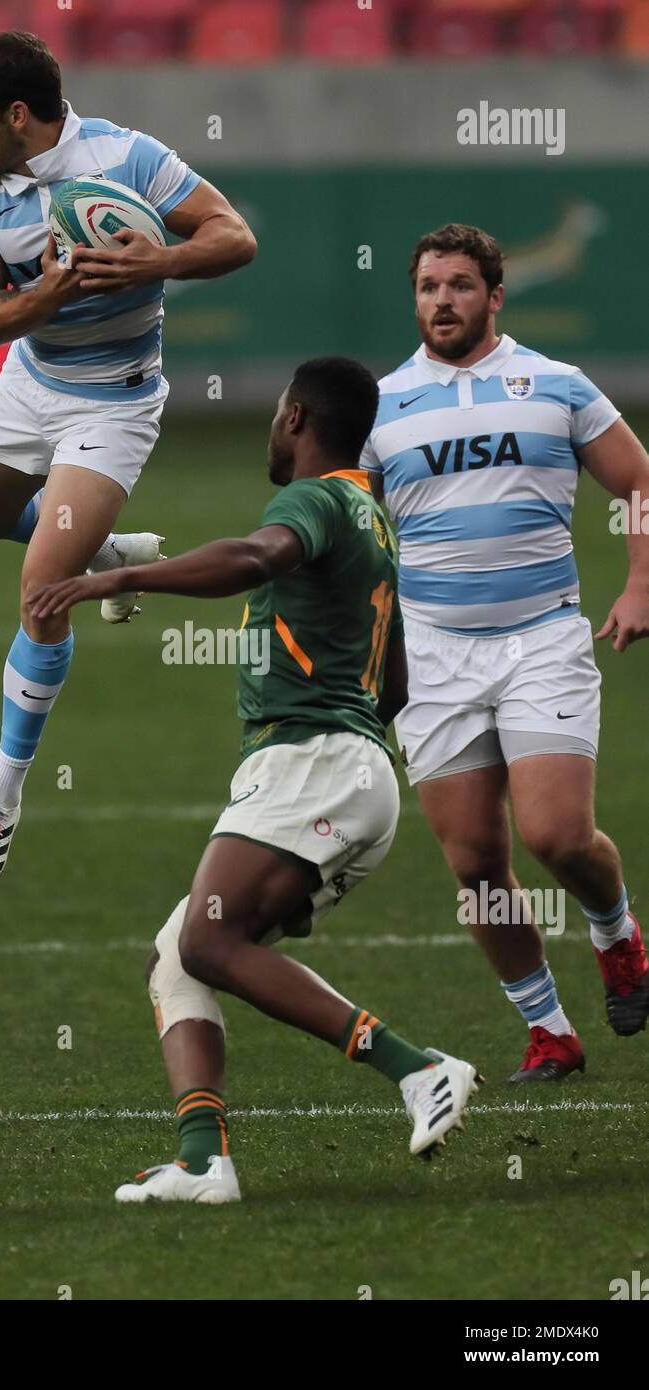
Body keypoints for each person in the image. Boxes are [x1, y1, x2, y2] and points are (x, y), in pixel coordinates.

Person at [29, 357, 481, 1202]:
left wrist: (119, 575)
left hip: (313, 764)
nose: (271, 427)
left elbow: (252, 554)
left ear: (298, 416)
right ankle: (205, 1162)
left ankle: (419, 1070)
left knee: (206, 941)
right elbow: (397, 685)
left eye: (278, 413)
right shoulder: (372, 518)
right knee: (179, 960)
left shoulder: (313, 500)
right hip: (342, 769)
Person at [0, 30, 256, 892]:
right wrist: (50, 290)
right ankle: (107, 551)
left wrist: (161, 259)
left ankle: (2, 790)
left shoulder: (129, 158)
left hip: (112, 401)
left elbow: (235, 238)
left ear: (16, 113)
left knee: (44, 589)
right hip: (29, 380)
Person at [359, 223, 649, 1081]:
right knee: (477, 864)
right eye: (426, 287)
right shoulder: (380, 407)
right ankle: (549, 1032)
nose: (440, 300)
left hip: (543, 642)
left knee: (559, 837)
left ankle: (617, 935)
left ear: (494, 295)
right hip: (437, 660)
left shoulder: (555, 385)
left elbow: (637, 480)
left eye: (457, 285)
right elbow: (351, 529)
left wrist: (639, 586)